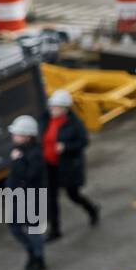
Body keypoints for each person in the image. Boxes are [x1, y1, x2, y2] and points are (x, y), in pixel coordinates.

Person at [41, 89, 98, 242]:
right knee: (50, 198)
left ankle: (92, 210)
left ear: (65, 109)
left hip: (66, 167)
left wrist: (66, 147)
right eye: (52, 106)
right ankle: (55, 230)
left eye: (56, 107)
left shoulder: (74, 124)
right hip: (49, 166)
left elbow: (83, 142)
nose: (53, 109)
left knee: (73, 195)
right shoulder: (45, 119)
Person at [5, 115, 48, 270]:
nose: (13, 136)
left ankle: (38, 258)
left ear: (27, 136)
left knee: (34, 230)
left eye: (16, 134)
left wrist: (17, 161)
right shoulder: (20, 150)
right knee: (14, 227)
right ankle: (31, 250)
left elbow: (27, 176)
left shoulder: (34, 154)